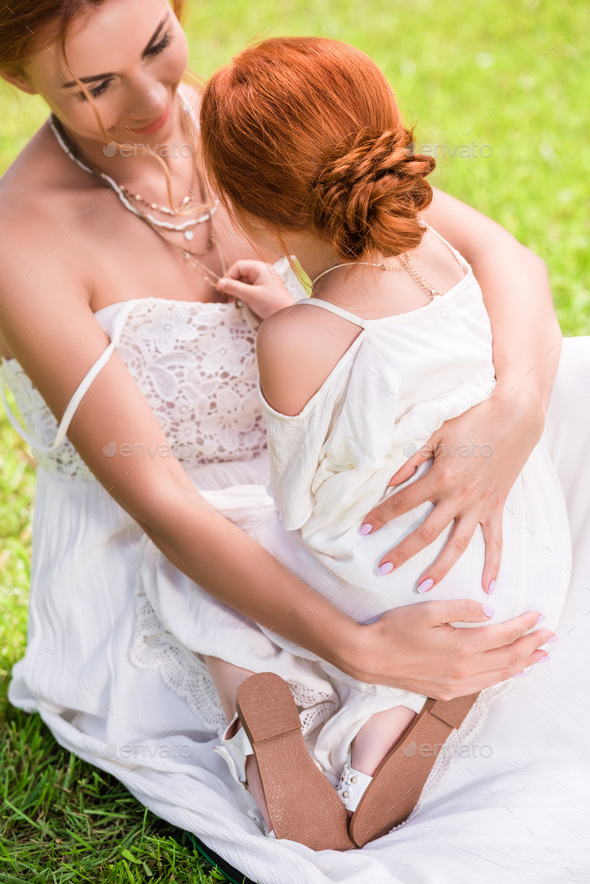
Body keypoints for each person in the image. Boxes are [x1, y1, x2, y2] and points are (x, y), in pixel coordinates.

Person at [0, 1, 587, 881]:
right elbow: (158, 503)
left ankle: (388, 681)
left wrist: (512, 415)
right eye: (94, 86)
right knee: (231, 592)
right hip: (178, 532)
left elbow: (508, 262)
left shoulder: (255, 128)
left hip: (341, 466)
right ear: (20, 82)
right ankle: (321, 691)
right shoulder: (19, 240)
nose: (155, 99)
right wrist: (365, 646)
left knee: (576, 373)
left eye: (160, 44)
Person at [187, 35, 571, 850]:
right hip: (510, 558)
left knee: (196, 564)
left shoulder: (297, 342)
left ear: (248, 206)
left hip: (396, 573)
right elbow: (391, 340)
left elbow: (299, 501)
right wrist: (290, 310)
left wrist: (287, 325)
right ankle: (386, 731)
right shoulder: (432, 242)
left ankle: (272, 698)